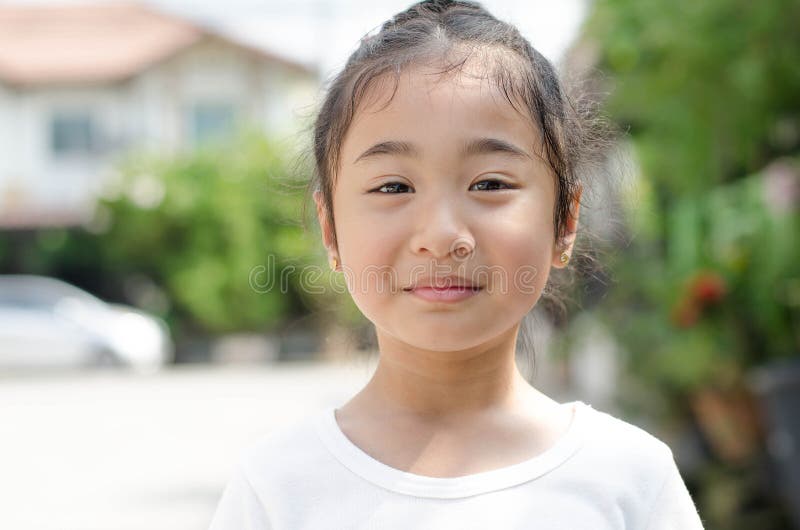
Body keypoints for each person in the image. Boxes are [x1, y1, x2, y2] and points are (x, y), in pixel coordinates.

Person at [208, 1, 706, 528]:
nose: (443, 236)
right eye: (393, 187)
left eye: (489, 184)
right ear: (330, 229)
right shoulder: (276, 487)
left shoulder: (631, 479)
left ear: (565, 219)